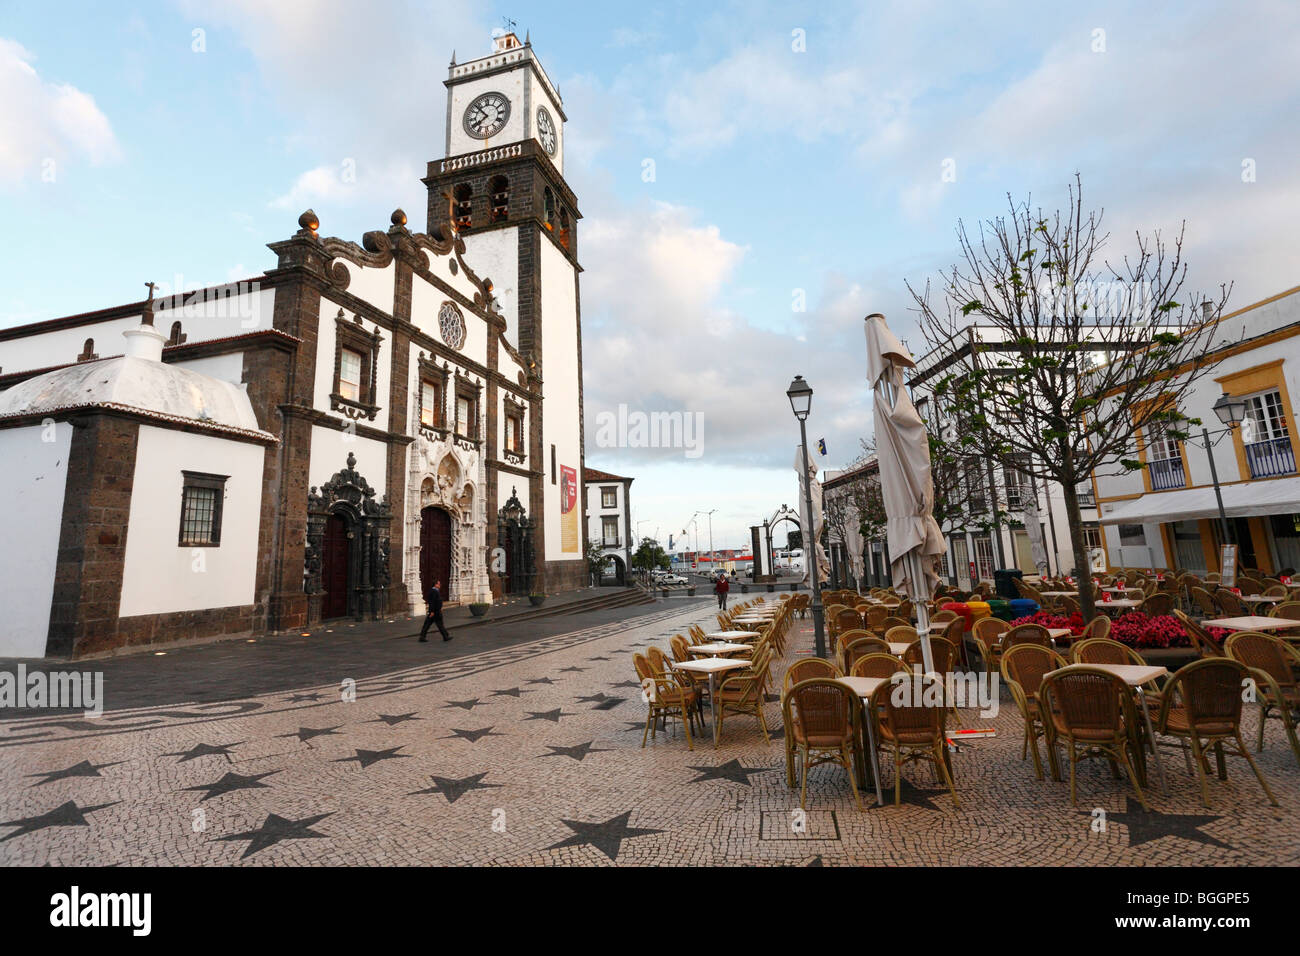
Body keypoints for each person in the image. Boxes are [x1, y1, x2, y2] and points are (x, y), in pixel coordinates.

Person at [419, 579, 452, 643]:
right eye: (439, 584)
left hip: (436, 611)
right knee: (438, 624)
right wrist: (432, 611)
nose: (440, 585)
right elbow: (432, 602)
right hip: (435, 612)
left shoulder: (435, 591)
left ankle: (422, 636)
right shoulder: (433, 591)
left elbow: (437, 601)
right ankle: (445, 636)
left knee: (429, 624)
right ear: (436, 585)